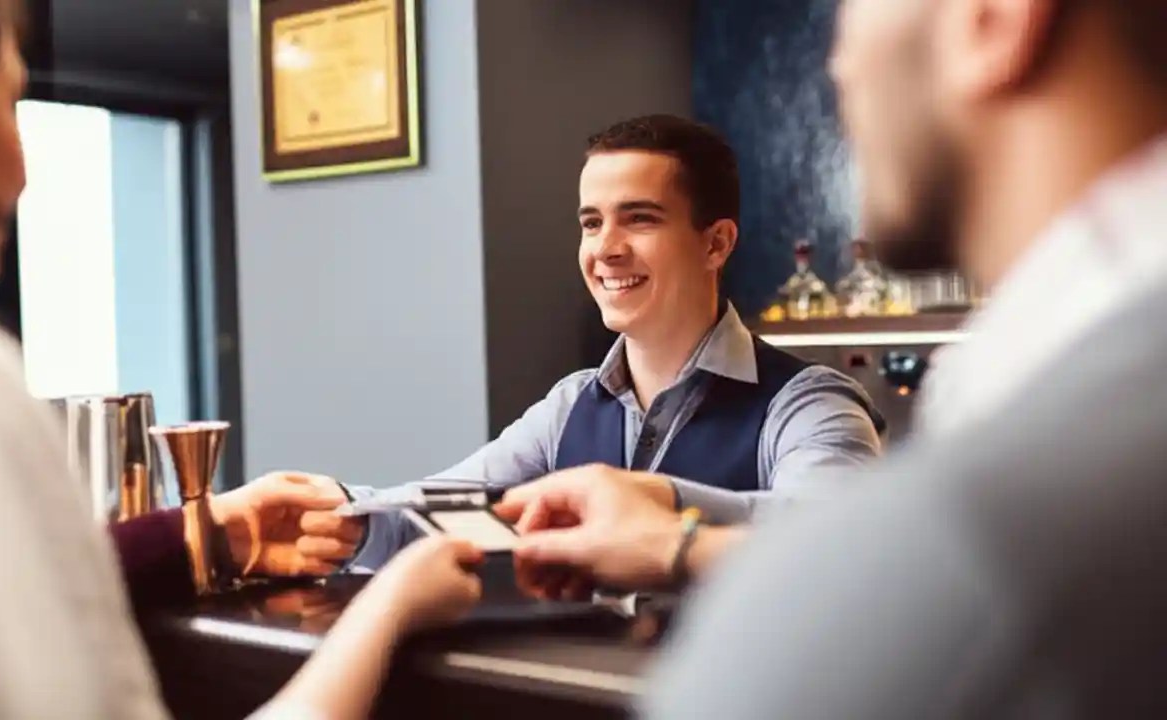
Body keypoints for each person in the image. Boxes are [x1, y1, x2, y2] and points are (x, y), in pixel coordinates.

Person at [501, 0, 1167, 716]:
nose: (838, 64)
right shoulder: (570, 402)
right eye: (592, 222)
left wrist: (672, 531)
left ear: (994, 16)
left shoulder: (967, 528)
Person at [0, 1, 483, 718]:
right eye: (7, 102)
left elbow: (14, 578)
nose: (21, 173)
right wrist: (389, 605)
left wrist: (211, 535)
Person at [285, 114, 885, 573]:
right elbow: (435, 514)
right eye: (592, 222)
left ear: (716, 244)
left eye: (640, 219)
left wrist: (655, 499)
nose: (606, 249)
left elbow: (837, 534)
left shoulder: (809, 403)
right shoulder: (568, 407)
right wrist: (340, 513)